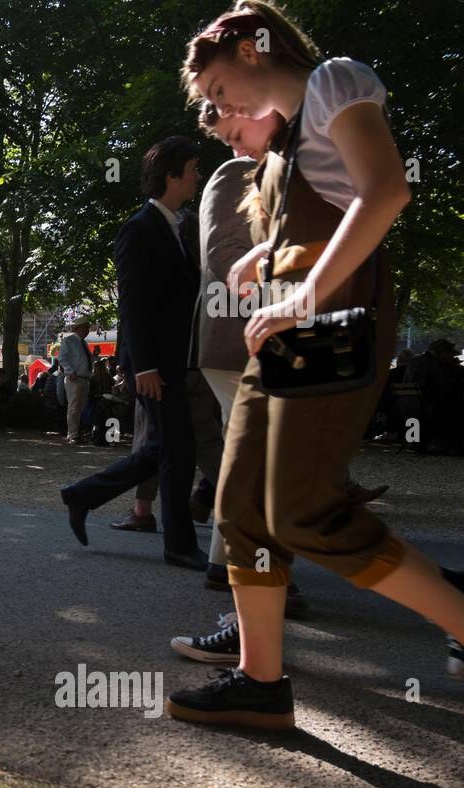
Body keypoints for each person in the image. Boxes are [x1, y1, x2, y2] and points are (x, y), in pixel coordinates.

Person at [167, 0, 464, 730]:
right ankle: (260, 682)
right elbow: (327, 210)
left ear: (248, 49)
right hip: (291, 336)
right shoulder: (287, 145)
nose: (218, 110)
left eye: (215, 94)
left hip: (336, 329)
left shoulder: (334, 80)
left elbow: (385, 190)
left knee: (301, 511)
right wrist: (267, 259)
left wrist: (298, 292)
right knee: (240, 509)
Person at [60, 136, 205, 570]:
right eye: (194, 168)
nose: (199, 175)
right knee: (177, 452)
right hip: (154, 364)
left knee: (164, 449)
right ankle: (179, 545)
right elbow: (133, 305)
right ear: (173, 175)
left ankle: (82, 495)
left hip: (172, 359)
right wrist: (143, 366)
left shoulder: (180, 225)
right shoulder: (139, 228)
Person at [58, 319, 93, 443]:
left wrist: (95, 355)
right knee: (74, 407)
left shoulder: (84, 344)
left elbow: (83, 360)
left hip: (84, 378)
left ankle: (75, 433)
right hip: (75, 378)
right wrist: (70, 370)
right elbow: (62, 357)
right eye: (85, 327)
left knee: (79, 407)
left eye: (88, 328)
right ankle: (72, 434)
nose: (87, 330)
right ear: (77, 328)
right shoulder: (69, 341)